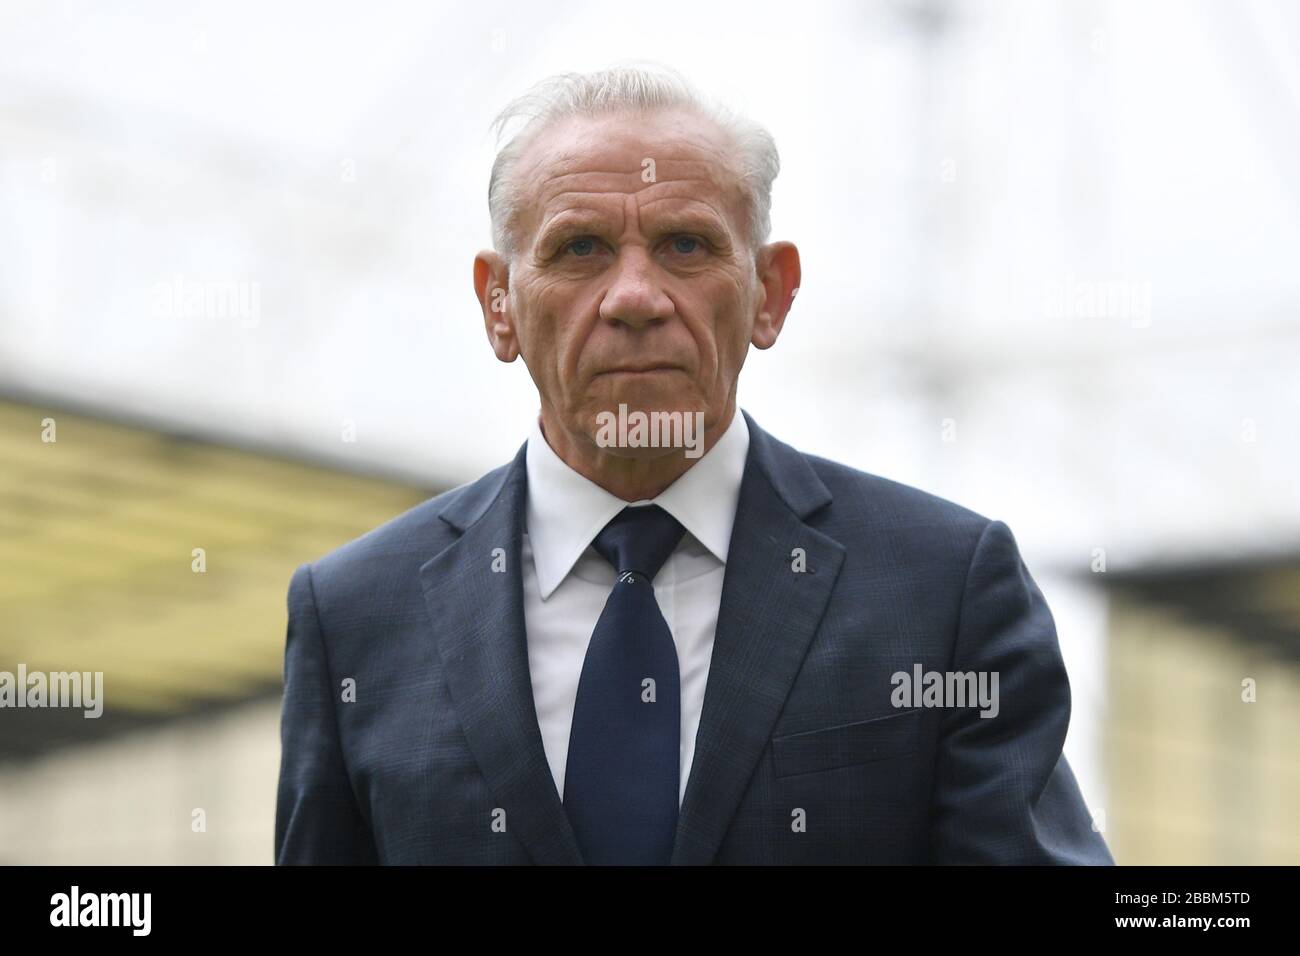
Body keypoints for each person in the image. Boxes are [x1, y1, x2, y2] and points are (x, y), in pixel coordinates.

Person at [275, 65, 1114, 865]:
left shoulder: (941, 593)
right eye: (580, 250)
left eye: (683, 245)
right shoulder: (353, 618)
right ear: (499, 304)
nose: (635, 296)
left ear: (769, 293)